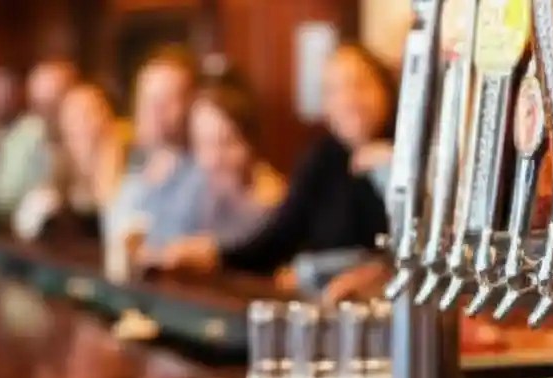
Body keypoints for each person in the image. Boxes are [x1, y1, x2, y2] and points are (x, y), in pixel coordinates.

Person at [158, 45, 397, 302]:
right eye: (332, 90)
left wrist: (378, 275)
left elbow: (418, 250)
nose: (347, 100)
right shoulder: (323, 157)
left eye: (358, 85)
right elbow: (278, 240)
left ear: (386, 89)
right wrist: (216, 255)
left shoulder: (414, 156)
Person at [152, 79, 284, 253]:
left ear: (251, 142)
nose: (213, 159)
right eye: (203, 144)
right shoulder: (196, 182)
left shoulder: (274, 206)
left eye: (226, 143)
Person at [103, 45, 199, 249]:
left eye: (167, 99)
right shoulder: (129, 163)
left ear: (192, 104)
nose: (154, 109)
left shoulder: (205, 172)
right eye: (147, 98)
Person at [13, 83, 129, 240]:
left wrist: (106, 162)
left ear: (106, 118)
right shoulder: (58, 173)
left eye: (90, 114)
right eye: (73, 117)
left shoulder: (127, 167)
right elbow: (25, 226)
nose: (83, 124)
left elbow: (118, 223)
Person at [0, 59, 78, 217]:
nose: (48, 113)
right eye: (40, 103)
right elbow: (3, 198)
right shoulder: (24, 136)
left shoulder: (91, 136)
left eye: (55, 101)